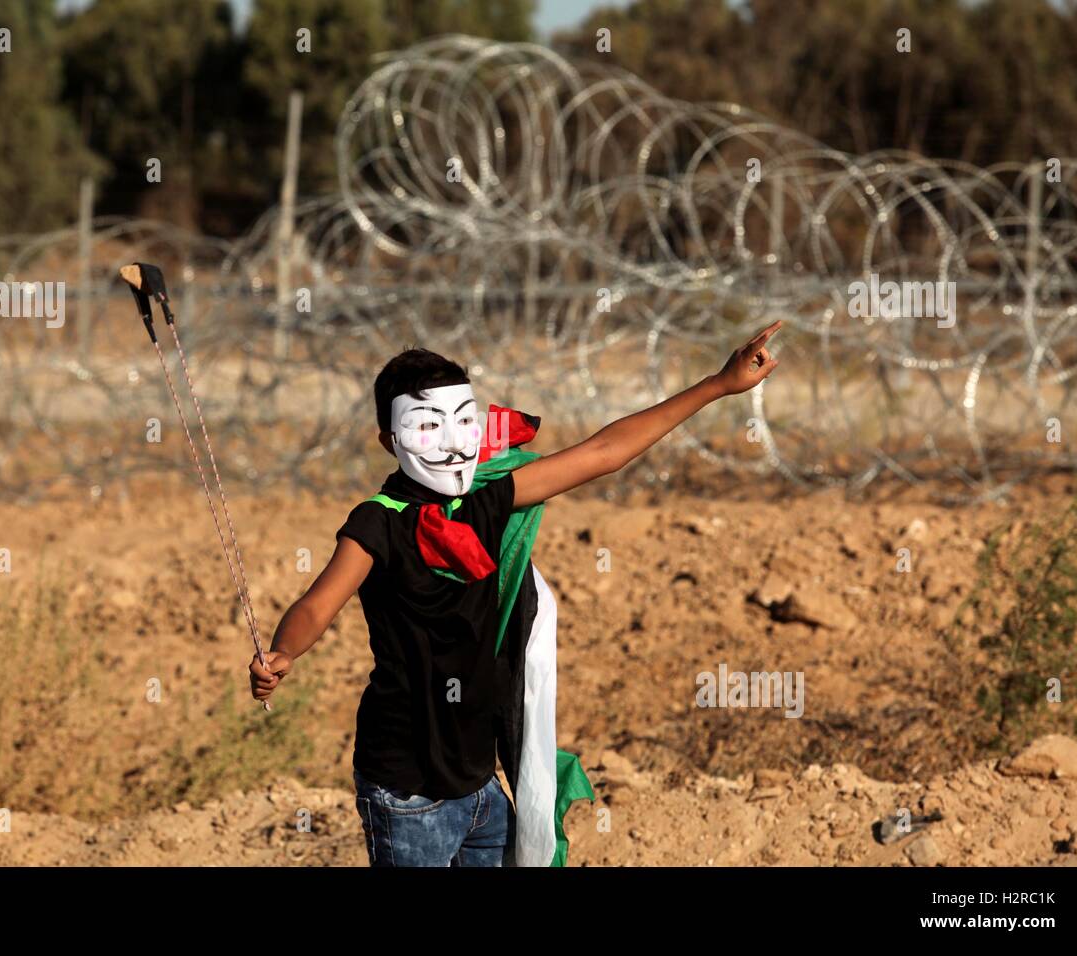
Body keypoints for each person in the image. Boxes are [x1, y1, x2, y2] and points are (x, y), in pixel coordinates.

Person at [250, 321, 782, 866]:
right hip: (409, 791)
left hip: (481, 785)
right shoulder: (378, 524)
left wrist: (718, 385)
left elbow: (603, 451)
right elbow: (318, 603)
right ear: (390, 440)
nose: (455, 441)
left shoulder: (486, 504)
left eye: (464, 420)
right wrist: (285, 651)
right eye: (429, 425)